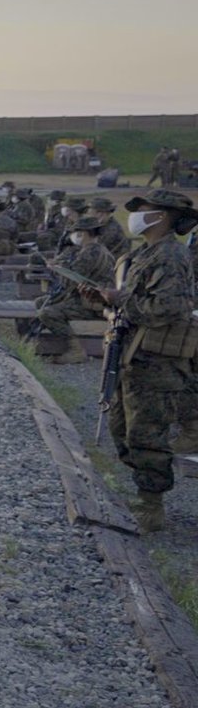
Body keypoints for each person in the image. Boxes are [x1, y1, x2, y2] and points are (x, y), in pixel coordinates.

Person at [82, 190, 198, 533]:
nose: (136, 215)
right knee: (122, 430)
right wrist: (104, 300)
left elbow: (168, 309)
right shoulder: (145, 254)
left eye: (144, 210)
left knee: (147, 434)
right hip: (132, 354)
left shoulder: (172, 256)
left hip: (156, 361)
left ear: (162, 216)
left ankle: (151, 506)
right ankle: (144, 492)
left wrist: (121, 300)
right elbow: (135, 302)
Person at [31, 213, 117, 364]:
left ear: (84, 233)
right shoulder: (99, 249)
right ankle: (42, 341)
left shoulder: (90, 252)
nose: (74, 236)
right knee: (41, 302)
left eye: (77, 232)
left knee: (47, 312)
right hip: (93, 299)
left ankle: (76, 350)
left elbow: (71, 281)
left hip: (92, 304)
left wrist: (57, 268)